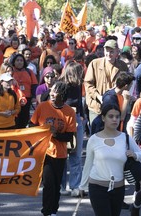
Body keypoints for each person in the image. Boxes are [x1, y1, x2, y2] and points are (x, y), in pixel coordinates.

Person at [79, 104, 141, 216]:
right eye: (111, 116)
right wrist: (82, 185)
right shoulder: (94, 139)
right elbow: (88, 164)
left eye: (117, 116)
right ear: (103, 118)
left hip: (118, 189)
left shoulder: (125, 138)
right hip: (97, 188)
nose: (115, 119)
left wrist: (134, 154)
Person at [30, 80, 77, 216]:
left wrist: (55, 134)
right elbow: (31, 125)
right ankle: (46, 211)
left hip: (60, 154)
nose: (51, 93)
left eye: (55, 91)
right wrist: (41, 131)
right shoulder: (42, 107)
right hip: (44, 152)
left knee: (56, 186)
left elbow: (68, 137)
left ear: (62, 95)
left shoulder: (69, 112)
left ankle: (53, 211)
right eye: (52, 91)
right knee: (48, 183)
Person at [84, 39, 128, 124]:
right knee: (96, 135)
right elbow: (88, 83)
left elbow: (127, 84)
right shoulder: (95, 63)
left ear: (117, 52)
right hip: (97, 107)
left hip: (114, 108)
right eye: (106, 51)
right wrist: (98, 97)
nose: (108, 54)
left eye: (111, 51)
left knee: (112, 135)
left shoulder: (123, 66)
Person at [59, 61, 84, 197]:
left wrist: (82, 116)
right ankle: (61, 185)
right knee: (62, 154)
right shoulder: (61, 86)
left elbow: (79, 102)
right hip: (64, 121)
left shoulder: (78, 85)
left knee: (75, 155)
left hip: (77, 119)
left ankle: (75, 185)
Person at [11, 53, 38, 128]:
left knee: (25, 116)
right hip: (14, 98)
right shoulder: (11, 71)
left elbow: (34, 84)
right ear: (14, 62)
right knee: (15, 117)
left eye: (21, 60)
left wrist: (33, 96)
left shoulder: (29, 72)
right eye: (17, 60)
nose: (19, 62)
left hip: (27, 97)